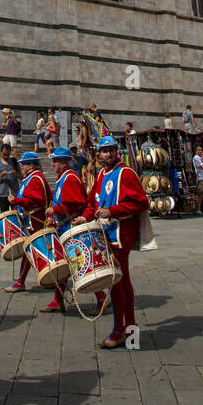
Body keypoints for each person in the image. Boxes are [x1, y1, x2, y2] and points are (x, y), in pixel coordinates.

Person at [82, 136, 149, 349]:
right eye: (104, 151)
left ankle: (125, 331)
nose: (108, 154)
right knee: (116, 282)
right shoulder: (102, 174)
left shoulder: (126, 173)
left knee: (120, 281)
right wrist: (84, 217)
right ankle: (124, 330)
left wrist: (113, 211)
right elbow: (93, 202)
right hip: (105, 234)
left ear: (116, 152)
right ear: (99, 154)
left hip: (121, 234)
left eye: (111, 150)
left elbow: (141, 202)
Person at [42, 146, 85, 314]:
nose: (52, 164)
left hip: (71, 227)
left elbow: (76, 202)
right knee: (65, 265)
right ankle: (57, 300)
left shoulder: (70, 177)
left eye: (55, 161)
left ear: (65, 162)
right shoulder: (62, 177)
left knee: (77, 264)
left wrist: (56, 210)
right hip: (63, 226)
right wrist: (53, 217)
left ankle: (102, 297)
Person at [6, 152, 51, 293]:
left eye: (24, 164)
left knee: (35, 250)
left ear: (31, 165)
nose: (22, 167)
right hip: (30, 220)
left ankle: (23, 281)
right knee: (32, 250)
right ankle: (24, 280)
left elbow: (35, 200)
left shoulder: (36, 178)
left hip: (36, 221)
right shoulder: (30, 178)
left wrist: (17, 201)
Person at [0, 141, 19, 215]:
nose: (6, 156)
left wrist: (15, 173)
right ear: (0, 152)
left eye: (8, 154)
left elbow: (22, 177)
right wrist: (0, 175)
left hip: (15, 195)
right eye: (4, 155)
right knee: (4, 216)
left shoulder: (14, 162)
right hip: (3, 195)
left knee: (17, 215)